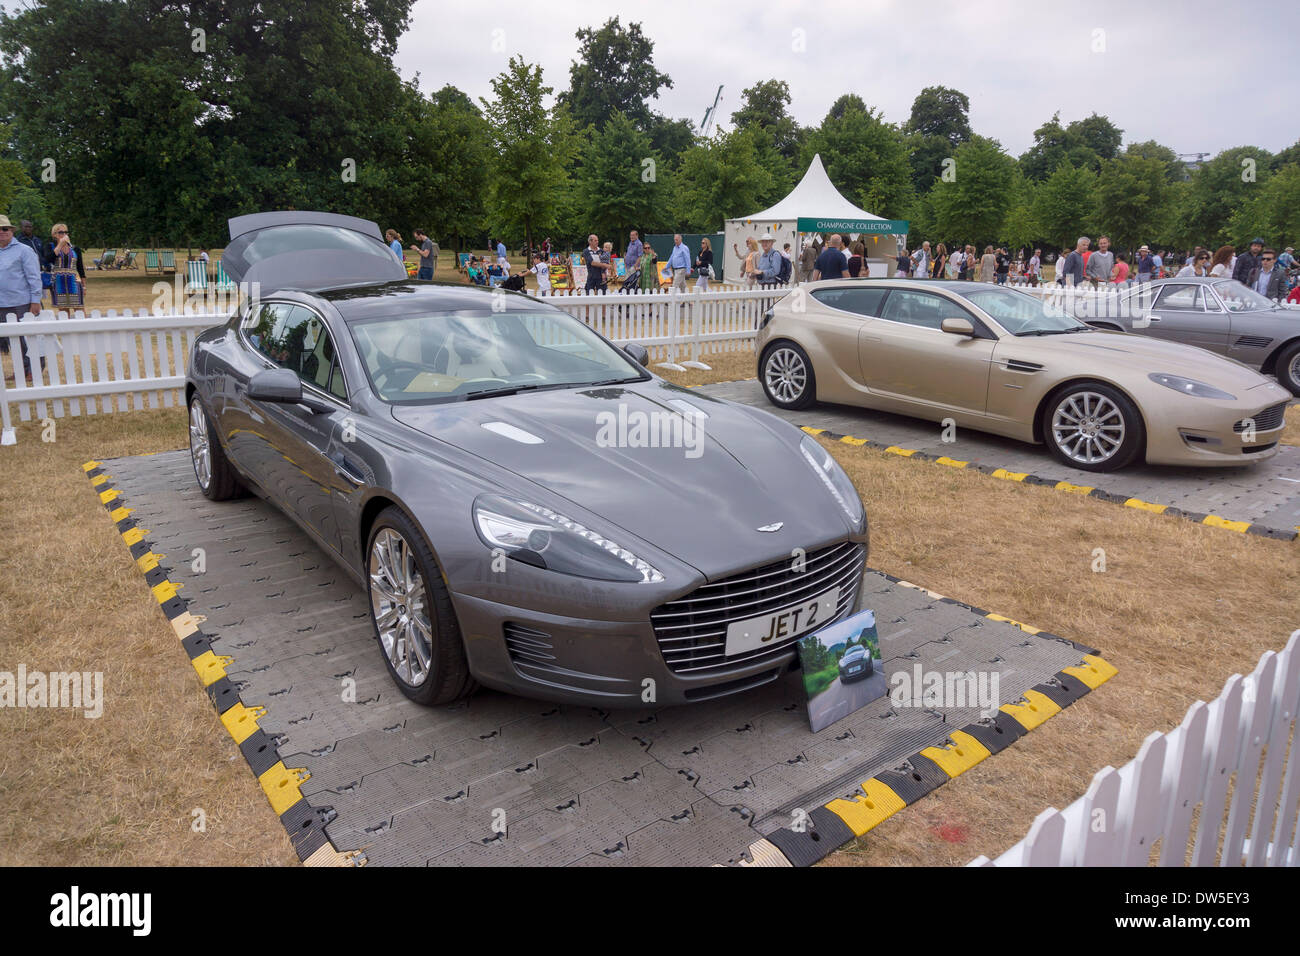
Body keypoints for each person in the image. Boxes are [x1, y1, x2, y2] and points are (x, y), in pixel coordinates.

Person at [0, 215, 44, 380]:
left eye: (5, 229)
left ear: (11, 231)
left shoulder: (24, 251)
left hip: (22, 302)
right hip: (2, 304)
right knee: (13, 341)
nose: (1, 232)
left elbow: (34, 277)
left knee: (29, 338)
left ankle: (35, 369)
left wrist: (35, 300)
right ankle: (21, 370)